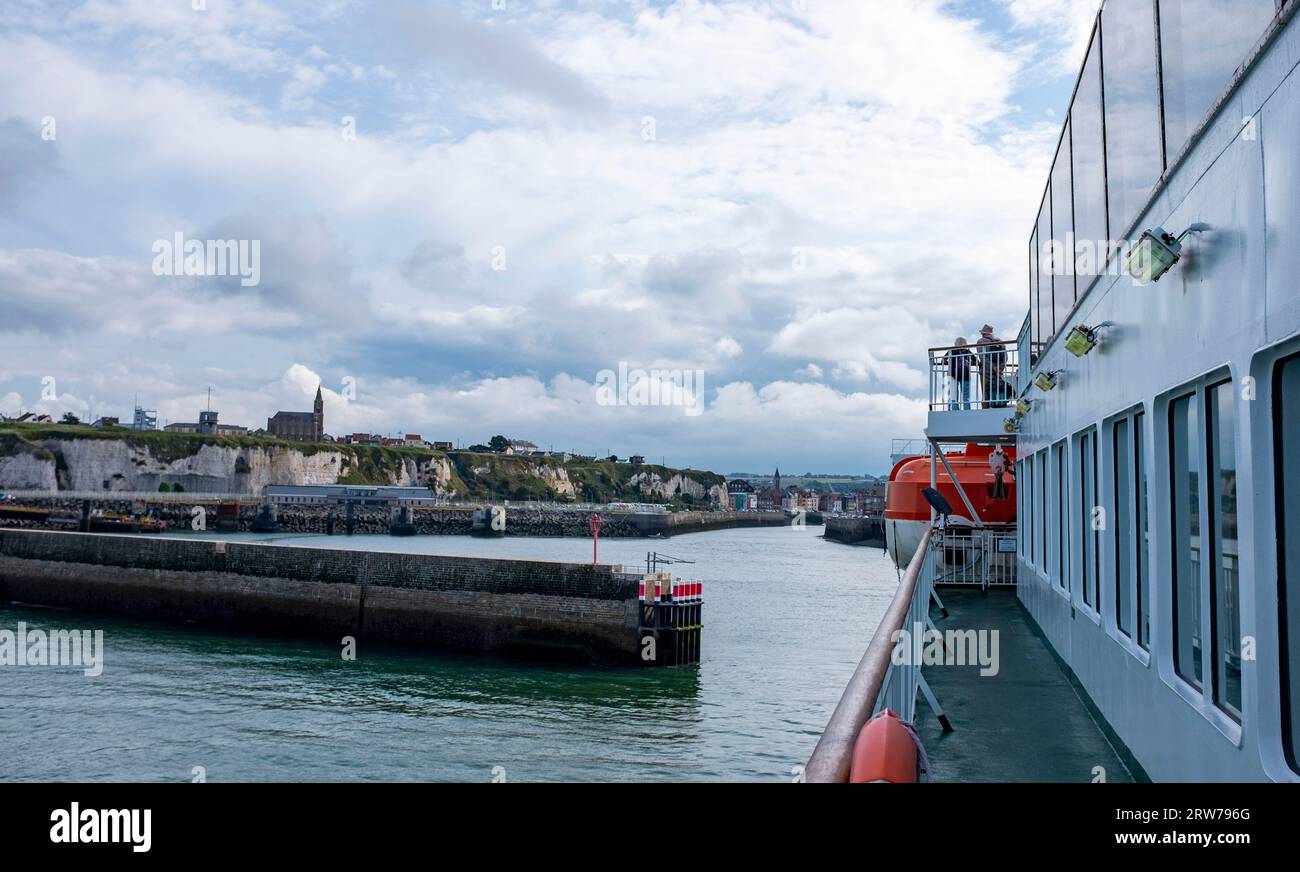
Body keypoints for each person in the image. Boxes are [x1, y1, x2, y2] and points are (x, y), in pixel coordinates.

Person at [975, 325, 1009, 405]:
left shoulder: (981, 341)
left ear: (983, 333)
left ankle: (985, 412)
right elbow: (1005, 357)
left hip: (986, 372)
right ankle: (1000, 407)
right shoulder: (1000, 342)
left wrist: (993, 368)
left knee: (985, 393)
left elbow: (983, 358)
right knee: (999, 390)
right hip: (999, 373)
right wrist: (1000, 369)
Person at [944, 338, 973, 410]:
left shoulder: (951, 351)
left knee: (953, 394)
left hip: (952, 374)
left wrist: (947, 362)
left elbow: (943, 359)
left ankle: (955, 409)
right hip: (965, 375)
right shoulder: (967, 351)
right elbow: (976, 361)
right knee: (966, 395)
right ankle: (967, 410)